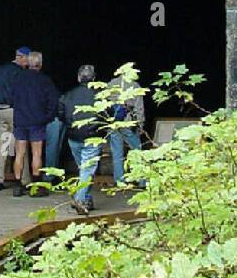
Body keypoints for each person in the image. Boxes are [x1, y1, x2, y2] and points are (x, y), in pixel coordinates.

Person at [8, 50, 59, 197]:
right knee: (36, 154)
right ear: (40, 64)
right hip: (37, 121)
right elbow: (52, 101)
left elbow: (10, 98)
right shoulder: (45, 80)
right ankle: (36, 187)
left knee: (20, 154)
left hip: (21, 120)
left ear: (28, 63)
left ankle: (17, 186)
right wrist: (47, 117)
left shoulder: (17, 79)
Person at [59, 64, 102, 215]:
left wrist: (70, 126)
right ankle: (80, 198)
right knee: (87, 169)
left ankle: (86, 198)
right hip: (93, 137)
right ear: (94, 78)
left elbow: (61, 114)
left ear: (78, 78)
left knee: (84, 169)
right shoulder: (100, 96)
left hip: (74, 137)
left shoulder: (68, 95)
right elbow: (109, 113)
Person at [0, 47, 30, 191]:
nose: (29, 63)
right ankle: (24, 179)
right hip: (15, 111)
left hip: (1, 110)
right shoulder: (19, 73)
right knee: (21, 145)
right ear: (21, 58)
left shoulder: (0, 70)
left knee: (3, 144)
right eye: (28, 60)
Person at [108, 68, 146, 187]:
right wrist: (140, 124)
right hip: (129, 122)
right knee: (136, 151)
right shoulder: (135, 85)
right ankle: (141, 180)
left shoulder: (110, 85)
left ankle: (119, 180)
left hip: (114, 123)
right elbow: (139, 108)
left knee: (117, 153)